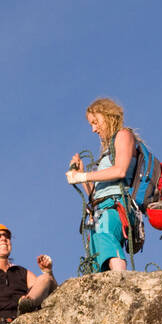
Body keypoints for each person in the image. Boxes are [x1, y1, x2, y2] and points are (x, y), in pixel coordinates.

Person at [66, 96, 135, 273]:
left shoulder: (123, 135)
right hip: (101, 208)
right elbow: (95, 195)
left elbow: (120, 170)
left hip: (116, 205)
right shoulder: (108, 150)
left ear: (108, 115)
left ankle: (121, 279)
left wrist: (83, 176)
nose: (94, 129)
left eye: (96, 122)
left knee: (106, 237)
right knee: (98, 250)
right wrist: (83, 176)